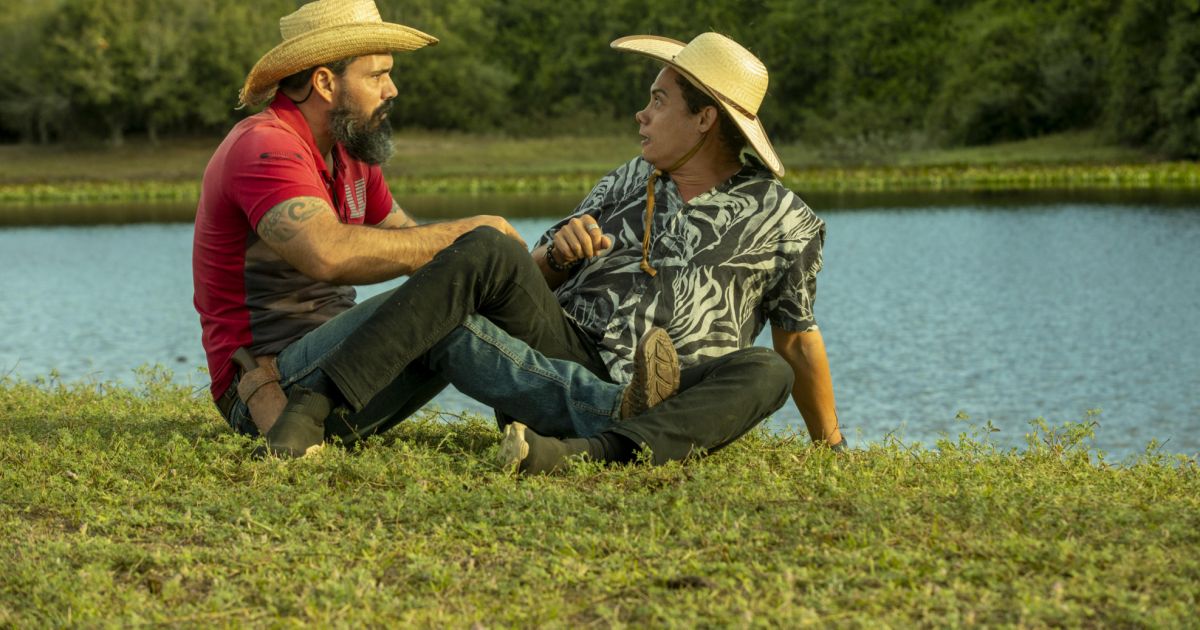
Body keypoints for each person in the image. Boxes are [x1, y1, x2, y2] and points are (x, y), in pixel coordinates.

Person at [192, 0, 678, 456]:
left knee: (454, 304)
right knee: (470, 269)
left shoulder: (350, 152)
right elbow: (327, 253)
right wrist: (474, 236)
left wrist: (501, 267)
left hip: (351, 368)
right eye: (378, 75)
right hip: (267, 391)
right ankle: (614, 409)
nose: (392, 90)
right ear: (324, 82)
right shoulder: (265, 147)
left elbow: (422, 257)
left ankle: (604, 410)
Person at [496, 32, 847, 473]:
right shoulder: (627, 178)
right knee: (482, 270)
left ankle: (591, 451)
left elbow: (795, 339)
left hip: (671, 402)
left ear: (704, 119)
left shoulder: (785, 219)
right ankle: (590, 440)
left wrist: (831, 448)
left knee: (769, 371)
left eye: (658, 101)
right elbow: (520, 285)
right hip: (566, 373)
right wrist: (557, 254)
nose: (640, 115)